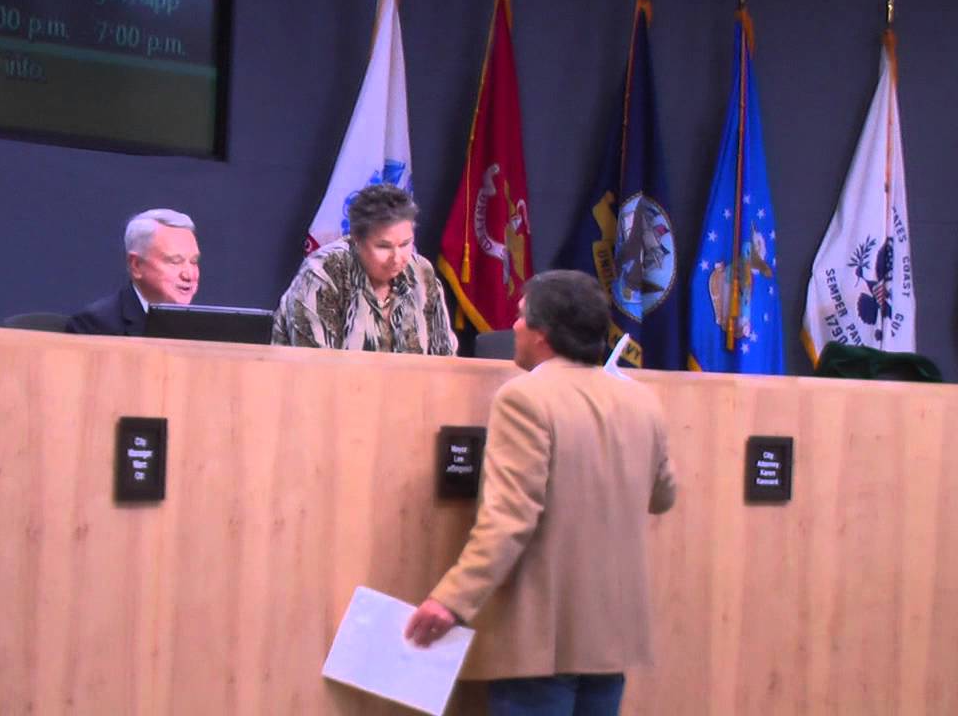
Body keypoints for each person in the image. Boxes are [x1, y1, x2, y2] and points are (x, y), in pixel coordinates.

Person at [404, 270, 676, 716]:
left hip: (542, 636)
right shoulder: (640, 400)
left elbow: (508, 519)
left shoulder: (525, 399)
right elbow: (663, 496)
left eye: (520, 316)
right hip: (610, 635)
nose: (512, 326)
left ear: (543, 334)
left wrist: (451, 599)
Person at [271, 184, 457, 355]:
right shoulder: (323, 273)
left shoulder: (421, 272)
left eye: (405, 244)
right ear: (357, 240)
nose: (397, 257)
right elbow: (314, 366)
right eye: (383, 246)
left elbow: (444, 358)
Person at [66, 209, 201, 335]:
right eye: (175, 261)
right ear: (136, 265)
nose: (188, 275)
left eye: (194, 262)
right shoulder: (95, 325)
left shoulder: (202, 327)